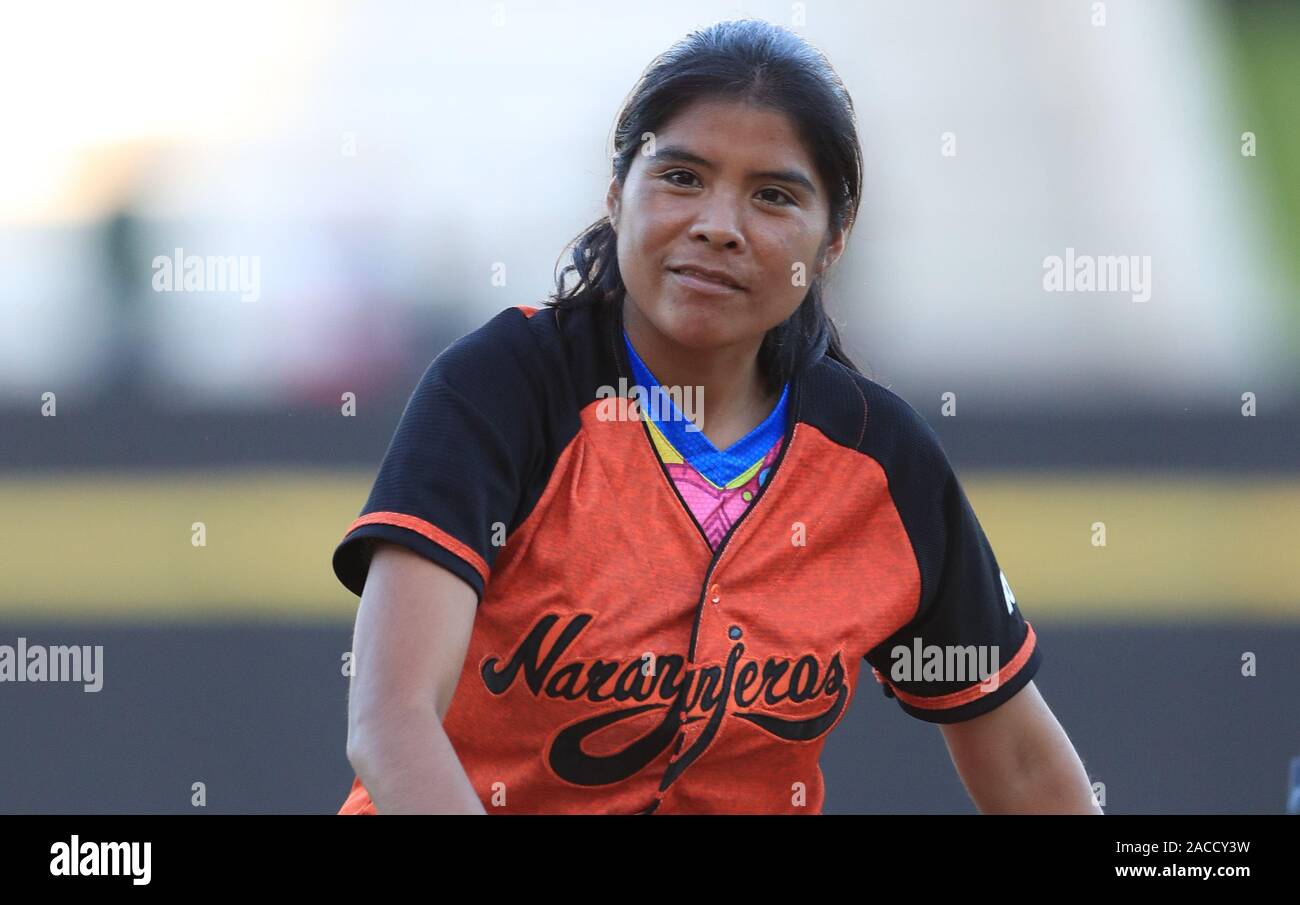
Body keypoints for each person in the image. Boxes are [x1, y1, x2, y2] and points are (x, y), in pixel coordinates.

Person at [332, 18, 1101, 815]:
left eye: (773, 195)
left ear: (833, 241)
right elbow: (393, 723)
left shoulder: (879, 460)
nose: (718, 225)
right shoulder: (504, 387)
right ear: (616, 192)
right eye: (682, 177)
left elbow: (1019, 762)